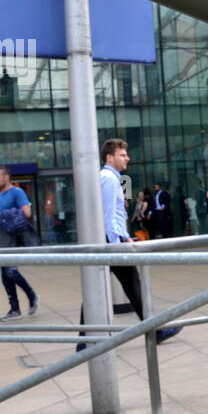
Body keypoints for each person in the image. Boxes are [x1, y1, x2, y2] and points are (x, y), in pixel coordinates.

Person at [76, 139, 180, 351]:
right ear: (109, 157)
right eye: (122, 155)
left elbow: (117, 212)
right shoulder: (108, 178)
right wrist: (118, 241)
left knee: (119, 286)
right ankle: (153, 331)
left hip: (112, 240)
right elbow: (106, 214)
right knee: (120, 286)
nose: (127, 158)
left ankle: (84, 341)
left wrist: (124, 235)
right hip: (109, 242)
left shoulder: (117, 179)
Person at [0, 165, 40, 321]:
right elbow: (1, 218)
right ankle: (15, 308)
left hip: (13, 240)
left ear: (6, 177)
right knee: (5, 275)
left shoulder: (17, 192)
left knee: (11, 272)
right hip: (3, 240)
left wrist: (0, 216)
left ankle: (31, 296)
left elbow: (27, 212)